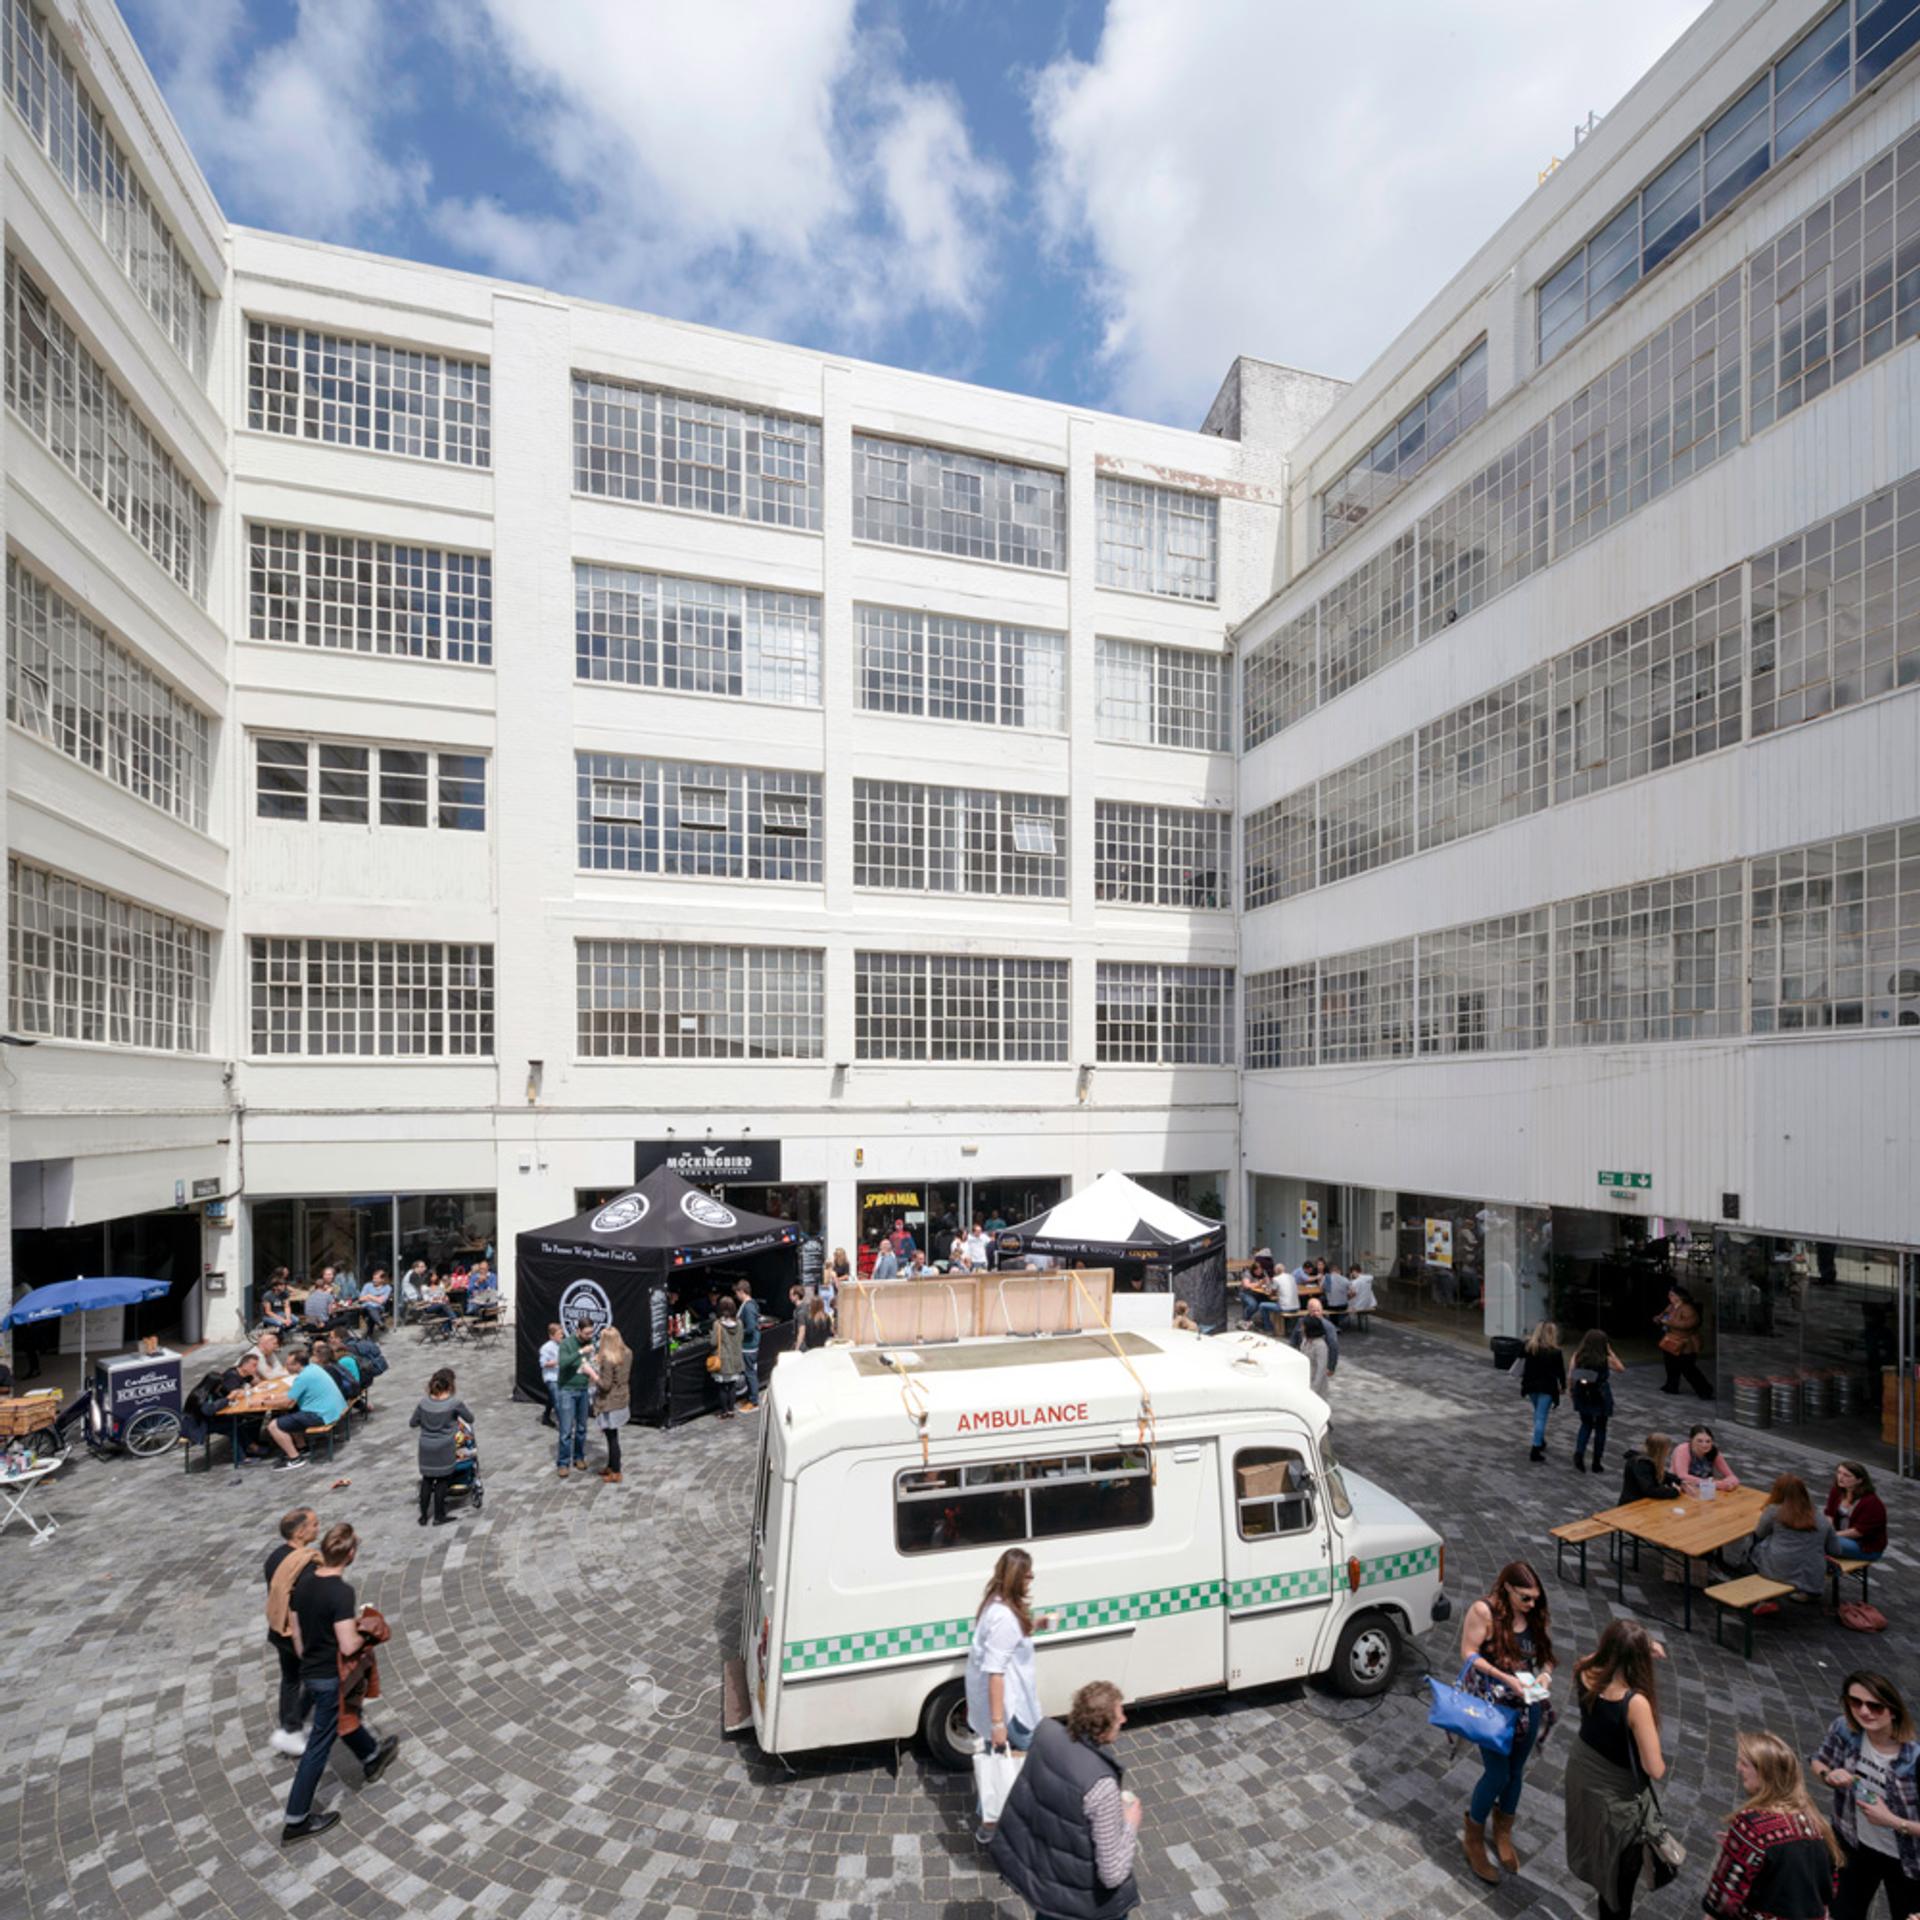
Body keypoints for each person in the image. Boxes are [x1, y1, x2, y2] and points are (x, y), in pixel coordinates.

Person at [281, 1523, 400, 1844]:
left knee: (345, 1714)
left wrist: (309, 1657)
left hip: (311, 1667)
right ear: (350, 1554)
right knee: (319, 1746)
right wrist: (369, 1627)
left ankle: (372, 1757)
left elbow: (297, 1631)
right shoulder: (340, 1592)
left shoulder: (303, 1583)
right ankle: (296, 1818)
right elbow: (347, 1645)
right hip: (330, 1675)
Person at [989, 1679, 1139, 1920]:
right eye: (1119, 1715)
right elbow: (1112, 1873)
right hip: (1083, 1904)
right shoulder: (1101, 1785)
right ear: (1102, 1725)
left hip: (1048, 1887)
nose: (1124, 1719)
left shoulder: (1046, 1733)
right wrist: (1130, 1822)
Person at [1458, 1559, 1554, 1882]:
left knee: (1515, 1773)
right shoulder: (1484, 1612)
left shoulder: (1534, 1614)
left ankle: (1502, 1832)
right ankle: (1473, 1835)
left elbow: (1547, 1658)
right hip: (1493, 1706)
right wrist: (1503, 1676)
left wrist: (1545, 1677)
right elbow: (1468, 1652)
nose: (1531, 1604)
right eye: (1525, 1597)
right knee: (1497, 1773)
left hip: (1527, 1705)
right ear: (1508, 1588)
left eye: (1535, 1598)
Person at [1565, 1618, 1668, 1919]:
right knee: (1619, 1883)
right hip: (1616, 1797)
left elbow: (1604, 1654)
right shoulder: (1635, 1703)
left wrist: (1636, 1645)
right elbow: (1655, 1768)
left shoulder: (1585, 1670)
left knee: (1600, 1858)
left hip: (1583, 1774)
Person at [1812, 1669, 1920, 1918]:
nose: (1864, 1712)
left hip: (1906, 1861)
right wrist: (1829, 1776)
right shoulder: (1844, 1729)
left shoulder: (1913, 1759)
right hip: (1852, 1844)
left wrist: (1892, 1821)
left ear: (1893, 1710)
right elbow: (1819, 1761)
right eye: (1855, 1702)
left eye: (1875, 1706)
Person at [1701, 1730, 1840, 1919]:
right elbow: (1828, 1888)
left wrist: (1740, 1848)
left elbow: (1722, 1902)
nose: (1737, 1768)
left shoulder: (1752, 1826)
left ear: (1764, 1772)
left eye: (1744, 1763)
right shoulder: (1815, 1822)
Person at [967, 1548, 1053, 1841]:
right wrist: (998, 1723)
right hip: (1011, 1708)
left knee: (996, 1762)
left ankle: (990, 1821)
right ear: (1018, 1577)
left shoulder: (996, 1602)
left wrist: (1035, 1624)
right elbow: (996, 1673)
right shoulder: (1004, 1616)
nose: (1032, 1578)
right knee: (1031, 1758)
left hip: (1005, 1705)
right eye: (1028, 1574)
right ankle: (1005, 1824)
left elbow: (1009, 1643)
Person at [264, 1506, 320, 1758]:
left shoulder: (275, 1557)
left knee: (289, 1679)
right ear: (300, 1532)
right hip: (297, 1635)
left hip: (277, 1631)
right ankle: (292, 1728)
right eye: (314, 1524)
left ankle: (289, 1726)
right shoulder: (304, 1567)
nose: (318, 1528)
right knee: (316, 1679)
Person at [1750, 1475, 1848, 1604]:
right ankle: (1805, 1592)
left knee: (1757, 1543)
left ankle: (1763, 1595)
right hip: (1811, 1574)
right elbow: (1835, 1550)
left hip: (1776, 1570)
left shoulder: (1774, 1511)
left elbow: (1760, 1533)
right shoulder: (1822, 1518)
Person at [409, 1365, 474, 1526]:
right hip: (444, 1446)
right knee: (442, 1480)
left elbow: (413, 1423)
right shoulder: (454, 1403)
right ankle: (439, 1515)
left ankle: (423, 1516)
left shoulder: (423, 1403)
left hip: (425, 1446)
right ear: (450, 1386)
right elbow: (470, 1418)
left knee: (427, 1480)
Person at [264, 1350, 347, 1471]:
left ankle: (295, 1458)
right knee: (291, 1414)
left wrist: (263, 1403)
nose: (286, 1367)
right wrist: (273, 1397)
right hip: (333, 1409)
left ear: (298, 1365)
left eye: (289, 1364)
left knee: (273, 1426)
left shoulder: (303, 1377)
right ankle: (302, 1447)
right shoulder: (313, 1368)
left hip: (321, 1415)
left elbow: (287, 1402)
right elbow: (292, 1395)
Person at [1570, 1330, 1626, 1475]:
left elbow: (1571, 1376)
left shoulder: (1578, 1356)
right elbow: (1621, 1368)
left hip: (1582, 1393)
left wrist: (1571, 1392)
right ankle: (1596, 1462)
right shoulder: (1605, 1359)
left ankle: (1579, 1454)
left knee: (1585, 1424)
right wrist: (1611, 1352)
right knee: (1601, 1428)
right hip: (1601, 1394)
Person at [588, 1326, 631, 1482]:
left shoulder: (608, 1359)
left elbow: (605, 1385)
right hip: (622, 1397)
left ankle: (616, 1471)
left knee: (612, 1438)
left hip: (610, 1402)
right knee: (612, 1436)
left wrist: (592, 1374)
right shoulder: (627, 1353)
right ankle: (611, 1465)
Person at [1520, 1320, 1566, 1464]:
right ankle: (1535, 1448)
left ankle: (1540, 1440)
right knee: (1541, 1417)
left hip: (1531, 1386)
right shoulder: (1556, 1352)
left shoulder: (1529, 1347)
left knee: (1537, 1414)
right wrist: (1563, 1386)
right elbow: (1561, 1372)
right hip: (1547, 1388)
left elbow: (1518, 1356)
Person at [1655, 1284, 1713, 1398]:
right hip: (1671, 1340)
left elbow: (1690, 1323)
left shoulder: (1687, 1308)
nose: (1669, 1297)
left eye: (1672, 1295)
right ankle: (1671, 1386)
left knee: (1688, 1368)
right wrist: (1658, 1319)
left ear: (1679, 1297)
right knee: (1670, 1365)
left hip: (1685, 1343)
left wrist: (1669, 1323)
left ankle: (1705, 1390)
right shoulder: (1671, 1307)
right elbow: (1663, 1316)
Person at [553, 1318, 593, 1477]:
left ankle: (579, 1457)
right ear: (578, 1331)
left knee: (582, 1427)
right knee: (566, 1429)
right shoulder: (567, 1344)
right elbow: (563, 1363)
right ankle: (563, 1462)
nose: (590, 1336)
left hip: (583, 1389)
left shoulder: (590, 1343)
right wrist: (580, 1352)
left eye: (591, 1332)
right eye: (586, 1333)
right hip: (567, 1390)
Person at [1826, 1462, 1889, 1561]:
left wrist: (1832, 1535)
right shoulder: (1837, 1491)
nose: (1840, 1477)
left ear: (1859, 1480)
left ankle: (1822, 1568)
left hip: (1865, 1547)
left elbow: (1858, 1532)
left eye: (1846, 1475)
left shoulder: (1871, 1503)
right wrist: (1828, 1530)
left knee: (1822, 1540)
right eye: (1839, 1473)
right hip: (1840, 1537)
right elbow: (1830, 1514)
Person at [1619, 1432, 1683, 1506]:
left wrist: (1679, 1481)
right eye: (1667, 1448)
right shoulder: (1641, 1464)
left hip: (1641, 1502)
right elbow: (1650, 1489)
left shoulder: (1647, 1459)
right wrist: (1674, 1491)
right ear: (1660, 1450)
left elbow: (1660, 1474)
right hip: (1632, 1505)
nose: (1669, 1451)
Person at [1675, 1424, 1741, 1495]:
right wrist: (1715, 1484)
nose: (1704, 1445)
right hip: (1682, 1489)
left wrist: (1729, 1484)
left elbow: (1731, 1476)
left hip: (1706, 1491)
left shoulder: (1713, 1452)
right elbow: (1682, 1476)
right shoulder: (1683, 1450)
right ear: (1691, 1440)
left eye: (1708, 1441)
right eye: (1699, 1441)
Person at [734, 1280, 763, 1411]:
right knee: (749, 1372)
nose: (736, 1296)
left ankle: (754, 1402)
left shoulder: (748, 1307)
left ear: (742, 1292)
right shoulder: (748, 1305)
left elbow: (750, 1328)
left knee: (750, 1373)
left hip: (748, 1346)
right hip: (748, 1345)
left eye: (737, 1293)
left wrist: (738, 1332)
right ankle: (751, 1397)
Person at [713, 1298, 744, 1419]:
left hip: (723, 1361)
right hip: (736, 1359)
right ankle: (731, 1410)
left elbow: (713, 1342)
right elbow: (741, 1338)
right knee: (732, 1386)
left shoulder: (717, 1325)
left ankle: (724, 1411)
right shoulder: (740, 1323)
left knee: (722, 1387)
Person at [537, 1321, 562, 1428]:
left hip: (560, 1376)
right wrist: (557, 1362)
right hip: (551, 1377)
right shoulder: (546, 1348)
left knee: (552, 1398)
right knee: (557, 1401)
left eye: (562, 1333)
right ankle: (564, 1424)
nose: (562, 1336)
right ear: (552, 1336)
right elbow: (543, 1363)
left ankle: (546, 1416)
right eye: (559, 1334)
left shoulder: (562, 1345)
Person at [1302, 1316, 1331, 1395]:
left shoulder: (1320, 1345)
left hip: (1316, 1384)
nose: (1302, 1328)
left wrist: (1314, 1388)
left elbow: (1321, 1368)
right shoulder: (1305, 1340)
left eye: (1304, 1326)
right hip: (1306, 1378)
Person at [358, 1268, 392, 1334]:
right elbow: (360, 1299)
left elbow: (381, 1301)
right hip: (365, 1308)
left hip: (379, 1308)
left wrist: (369, 1296)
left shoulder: (387, 1288)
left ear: (383, 1279)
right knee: (370, 1308)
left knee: (371, 1313)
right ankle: (379, 1323)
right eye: (373, 1278)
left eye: (376, 1279)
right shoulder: (367, 1285)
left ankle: (370, 1333)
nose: (374, 1280)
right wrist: (376, 1298)